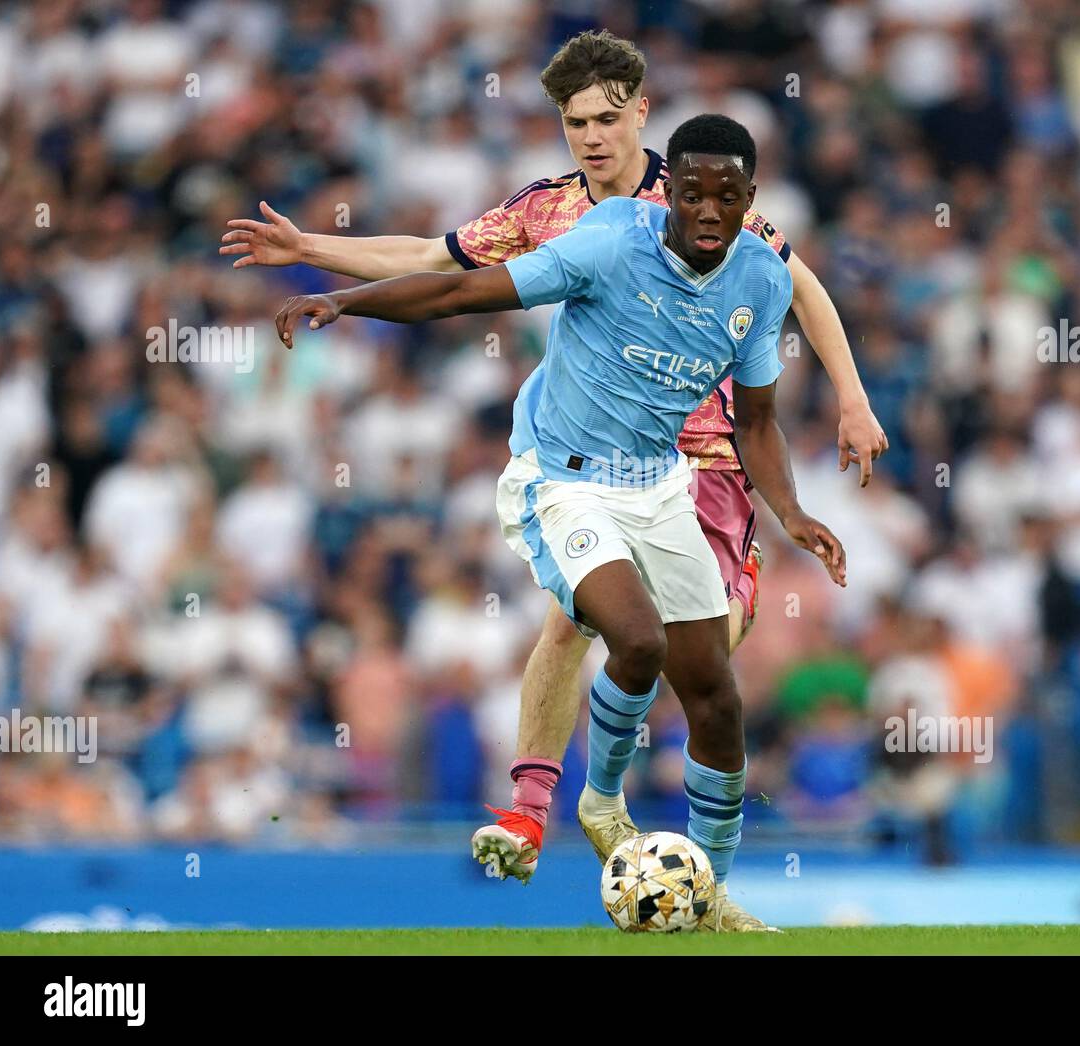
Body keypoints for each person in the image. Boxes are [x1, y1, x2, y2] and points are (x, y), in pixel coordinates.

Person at [223, 29, 884, 882]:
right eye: (577, 123)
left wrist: (853, 398)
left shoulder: (698, 193)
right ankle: (538, 808)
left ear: (642, 113)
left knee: (706, 657)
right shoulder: (547, 210)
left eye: (609, 119)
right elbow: (438, 264)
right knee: (578, 618)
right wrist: (314, 251)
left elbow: (798, 284)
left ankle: (660, 823)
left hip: (709, 458)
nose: (594, 137)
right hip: (585, 454)